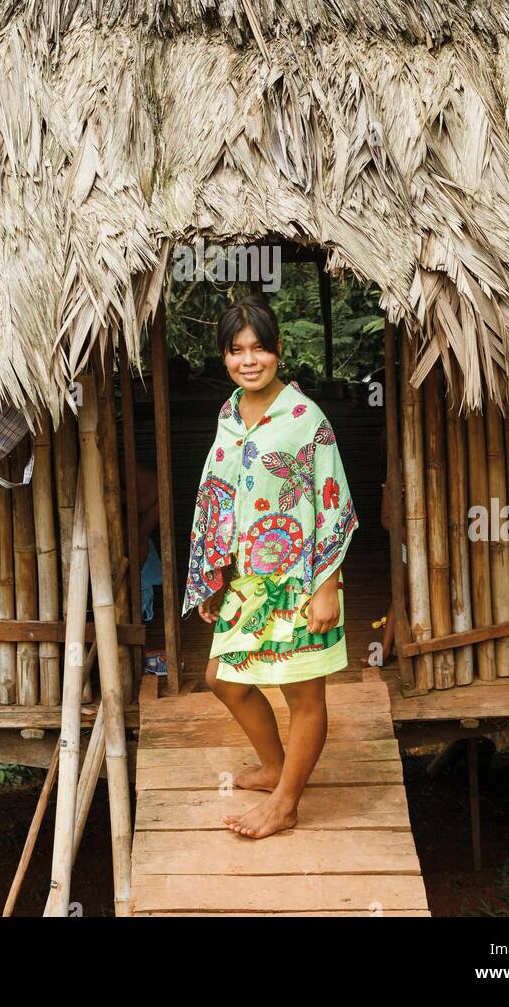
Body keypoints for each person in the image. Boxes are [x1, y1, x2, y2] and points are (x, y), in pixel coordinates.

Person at [182, 294, 358, 838]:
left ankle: (286, 802)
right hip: (248, 581)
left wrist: (327, 585)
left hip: (303, 576)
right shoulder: (230, 415)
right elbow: (217, 492)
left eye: (259, 348)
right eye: (236, 351)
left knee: (304, 693)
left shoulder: (307, 419)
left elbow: (335, 502)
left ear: (278, 351)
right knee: (221, 679)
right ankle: (278, 767)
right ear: (225, 357)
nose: (248, 360)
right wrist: (213, 575)